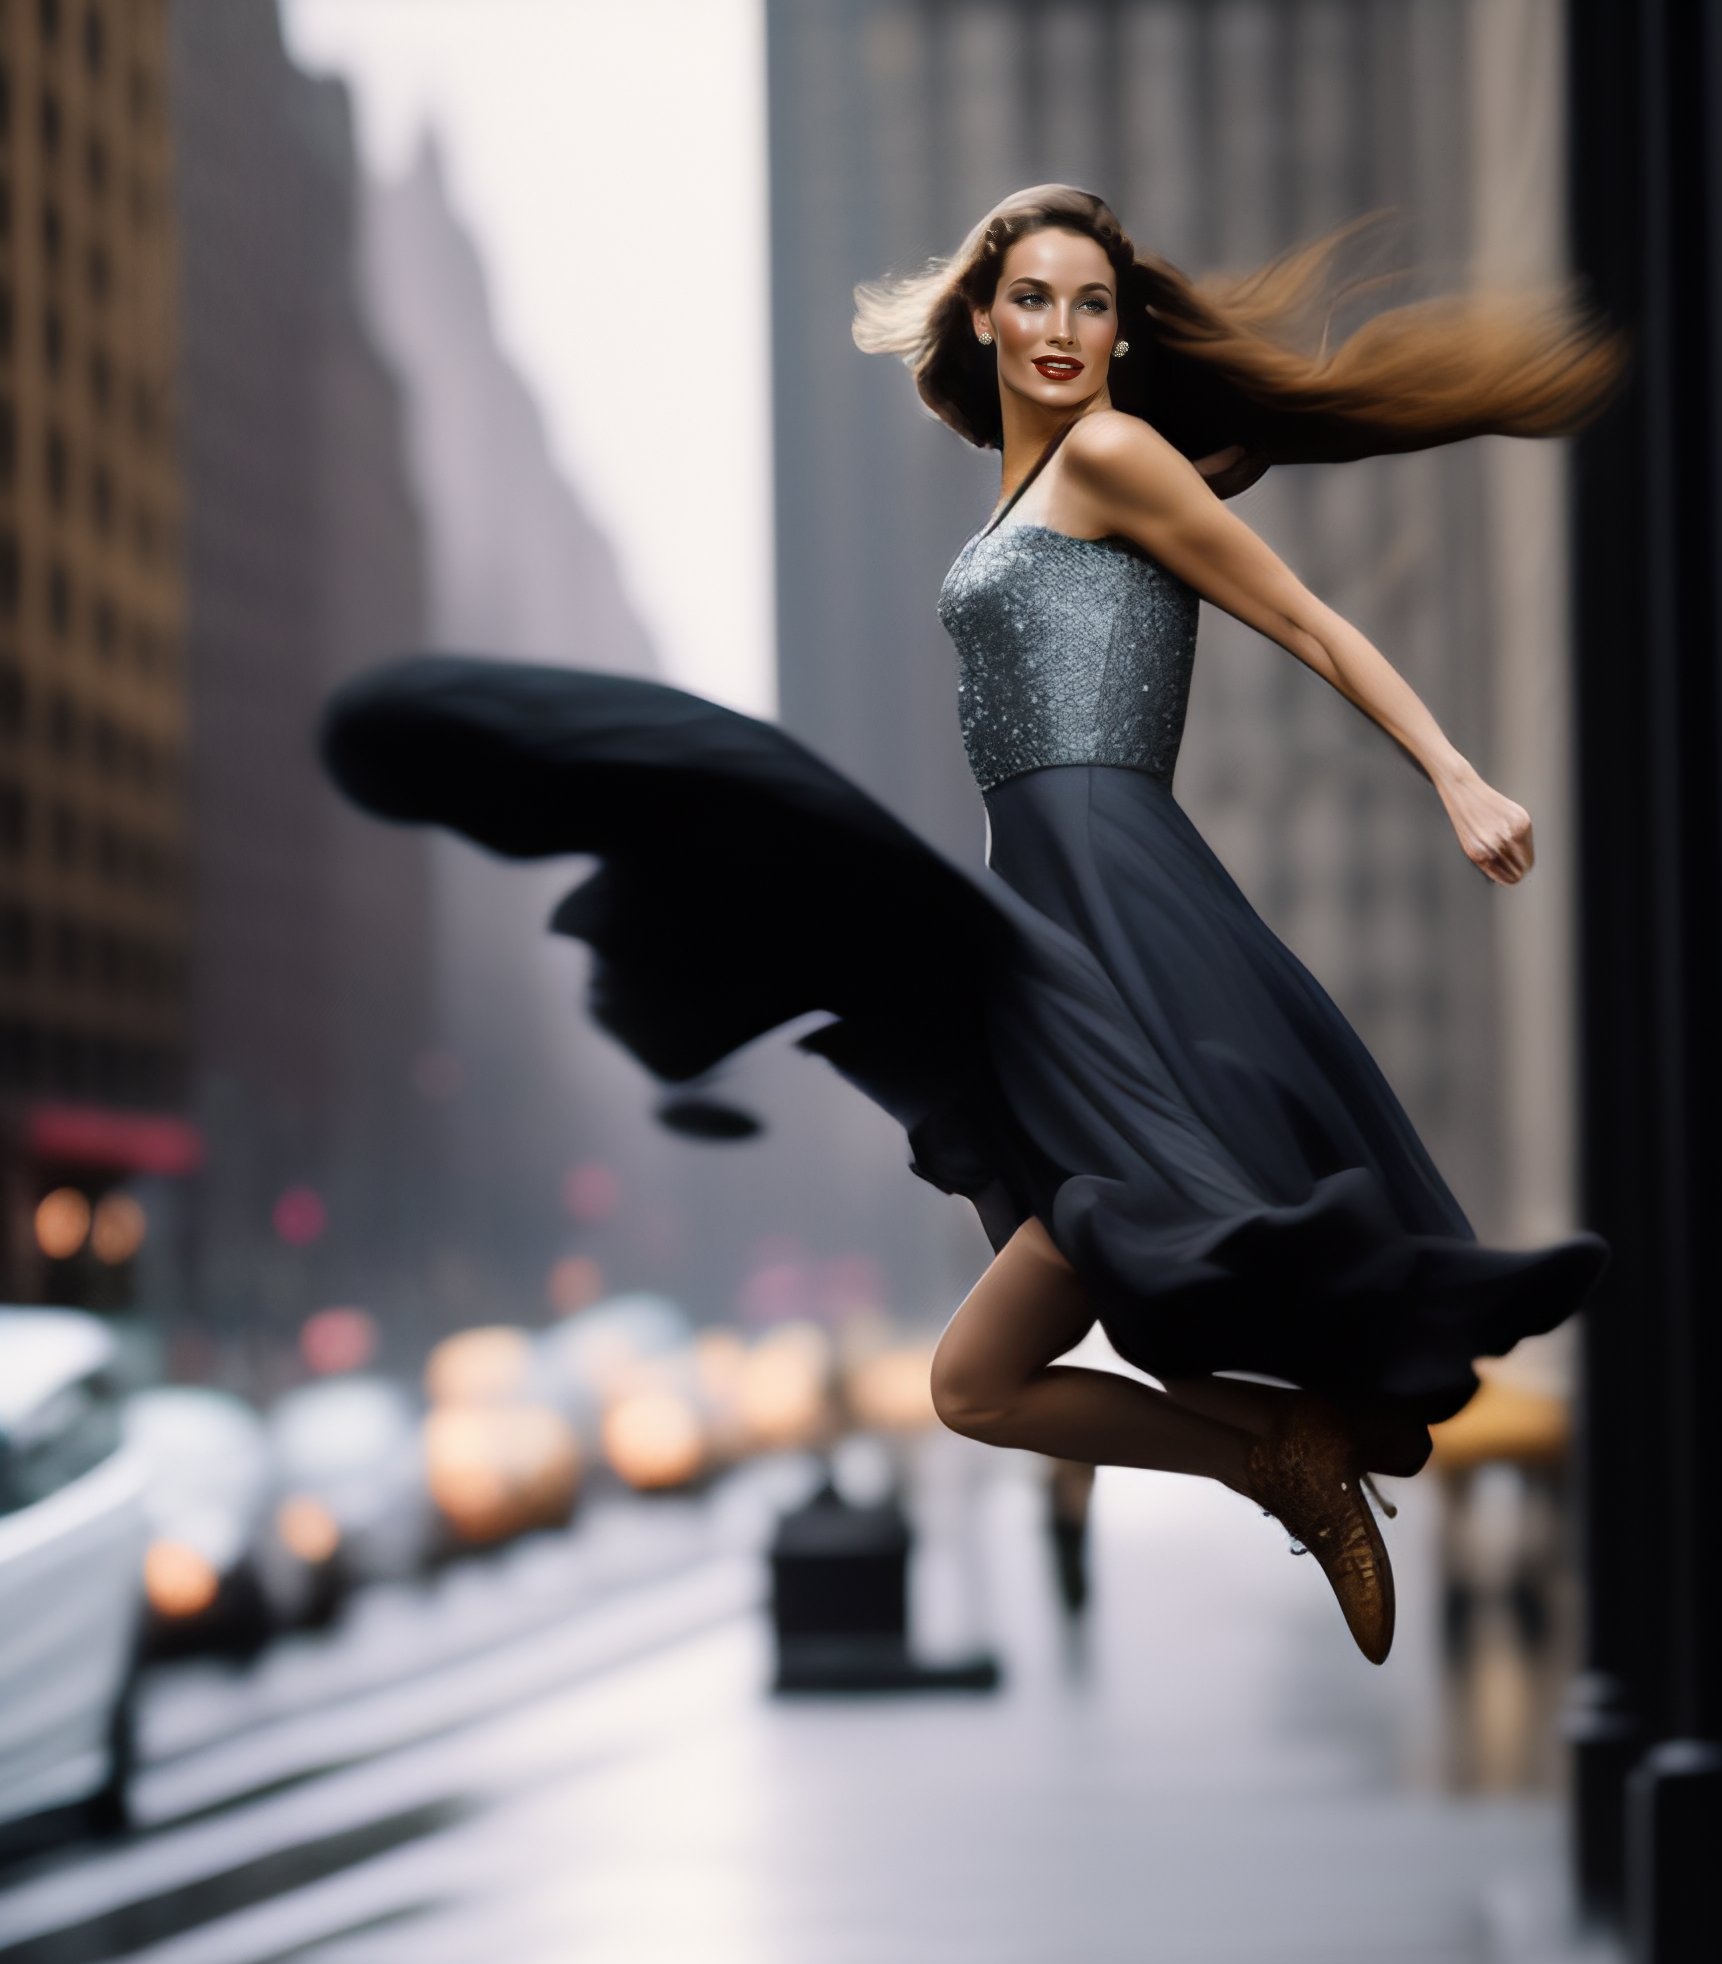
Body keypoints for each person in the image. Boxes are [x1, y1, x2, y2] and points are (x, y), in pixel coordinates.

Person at [324, 187, 1615, 1663]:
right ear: (989, 318)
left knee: (1011, 1353)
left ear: (1121, 333)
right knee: (991, 1379)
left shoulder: (1119, 456)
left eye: (1090, 303)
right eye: (1037, 299)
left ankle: (1296, 1453)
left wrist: (1456, 775)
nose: (1062, 329)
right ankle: (1288, 1453)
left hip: (1119, 898)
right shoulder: (1028, 493)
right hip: (1037, 901)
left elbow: (1308, 619)